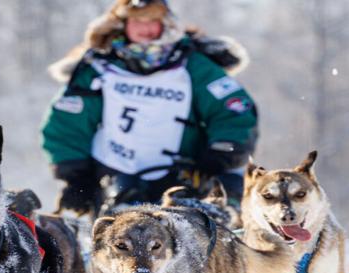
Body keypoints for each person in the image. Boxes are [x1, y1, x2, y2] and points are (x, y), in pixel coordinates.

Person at [43, 0, 259, 215]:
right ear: (123, 23)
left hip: (185, 177)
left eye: (152, 21)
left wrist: (219, 157)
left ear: (165, 23)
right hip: (113, 175)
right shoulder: (98, 67)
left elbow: (233, 112)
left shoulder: (194, 65)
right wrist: (76, 176)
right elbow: (67, 122)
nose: (144, 29)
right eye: (137, 21)